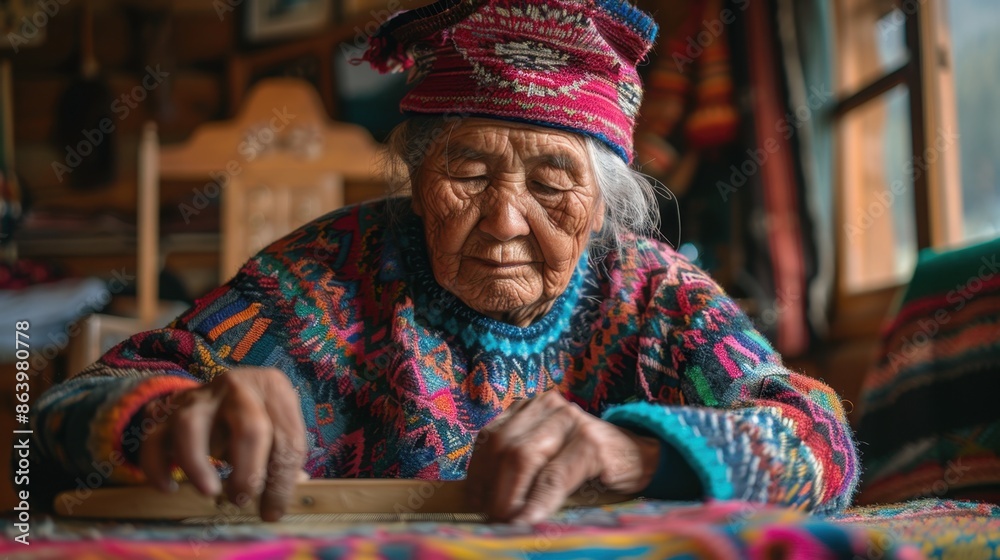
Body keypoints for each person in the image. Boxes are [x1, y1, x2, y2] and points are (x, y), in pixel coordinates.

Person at [32, 0, 858, 523]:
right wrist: (171, 412)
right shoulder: (325, 275)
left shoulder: (651, 292)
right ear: (417, 181)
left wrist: (633, 453)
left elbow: (822, 444)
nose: (505, 219)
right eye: (468, 172)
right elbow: (54, 423)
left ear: (604, 207)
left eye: (551, 180)